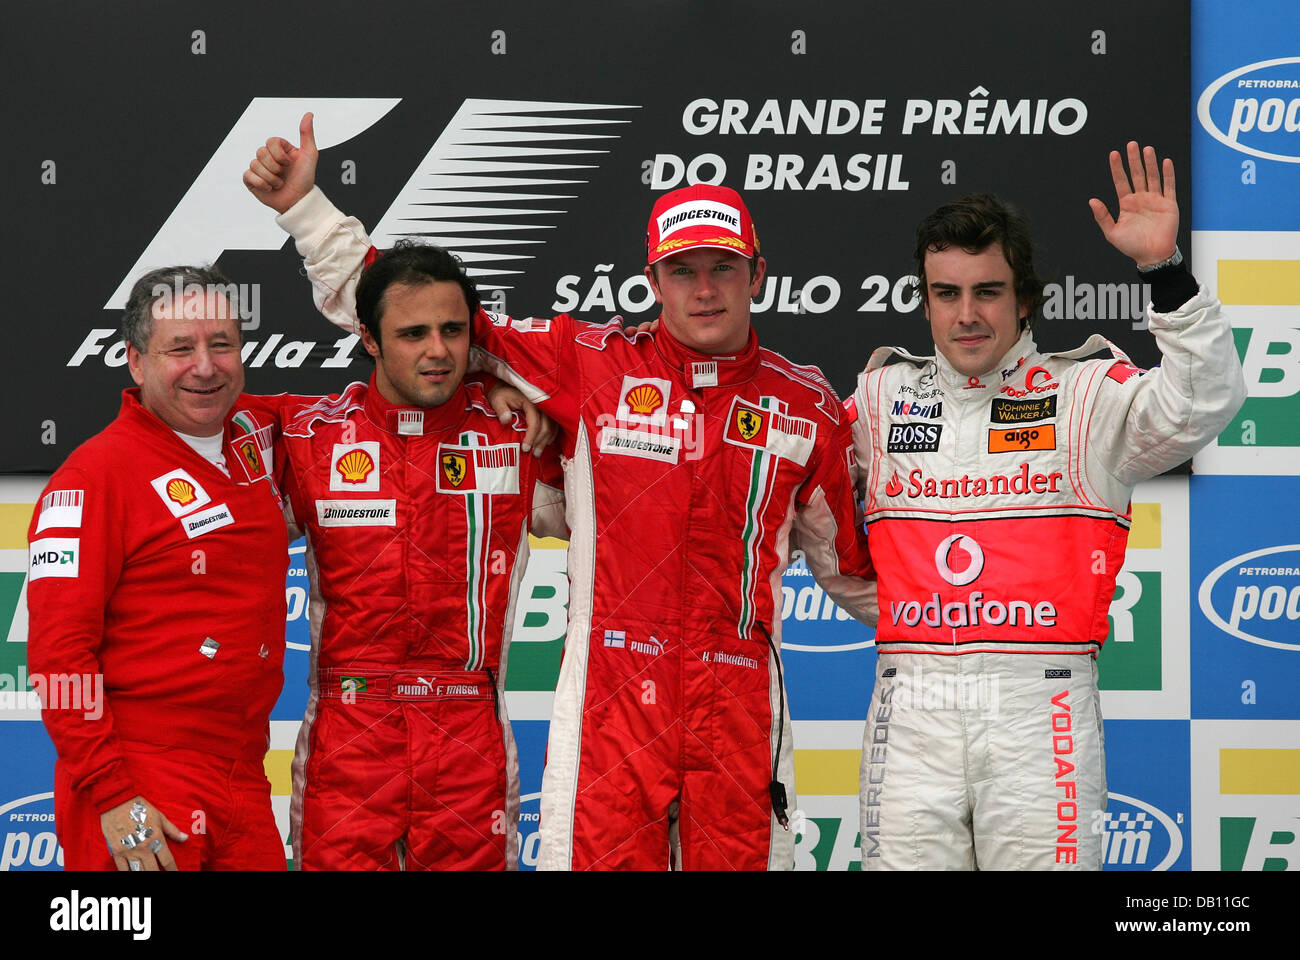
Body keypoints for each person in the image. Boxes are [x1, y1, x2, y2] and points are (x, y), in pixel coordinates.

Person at [244, 113, 876, 870]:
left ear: (758, 274)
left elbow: (853, 570)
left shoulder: (805, 406)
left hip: (739, 701)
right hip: (611, 693)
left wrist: (966, 646)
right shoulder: (589, 362)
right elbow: (410, 308)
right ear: (653, 281)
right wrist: (307, 210)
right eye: (683, 271)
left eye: (724, 267)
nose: (705, 290)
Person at [848, 142, 1246, 870]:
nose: (967, 315)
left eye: (988, 292)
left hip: (1041, 709)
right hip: (911, 708)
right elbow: (808, 520)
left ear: (1025, 298)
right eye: (947, 294)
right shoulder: (878, 401)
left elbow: (1202, 403)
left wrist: (1165, 271)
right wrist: (904, 613)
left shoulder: (1084, 396)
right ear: (925, 301)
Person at [272, 241, 564, 869]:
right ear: (369, 339)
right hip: (348, 729)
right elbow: (195, 440)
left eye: (453, 331)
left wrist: (508, 388)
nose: (438, 351)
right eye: (413, 334)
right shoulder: (306, 435)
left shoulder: (518, 434)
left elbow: (620, 511)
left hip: (468, 729)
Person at [27, 267, 291, 870]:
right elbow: (58, 656)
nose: (205, 367)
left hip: (245, 776)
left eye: (222, 344)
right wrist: (113, 793)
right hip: (140, 777)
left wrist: (493, 390)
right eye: (180, 348)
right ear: (136, 362)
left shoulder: (257, 435)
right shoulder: (92, 477)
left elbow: (369, 412)